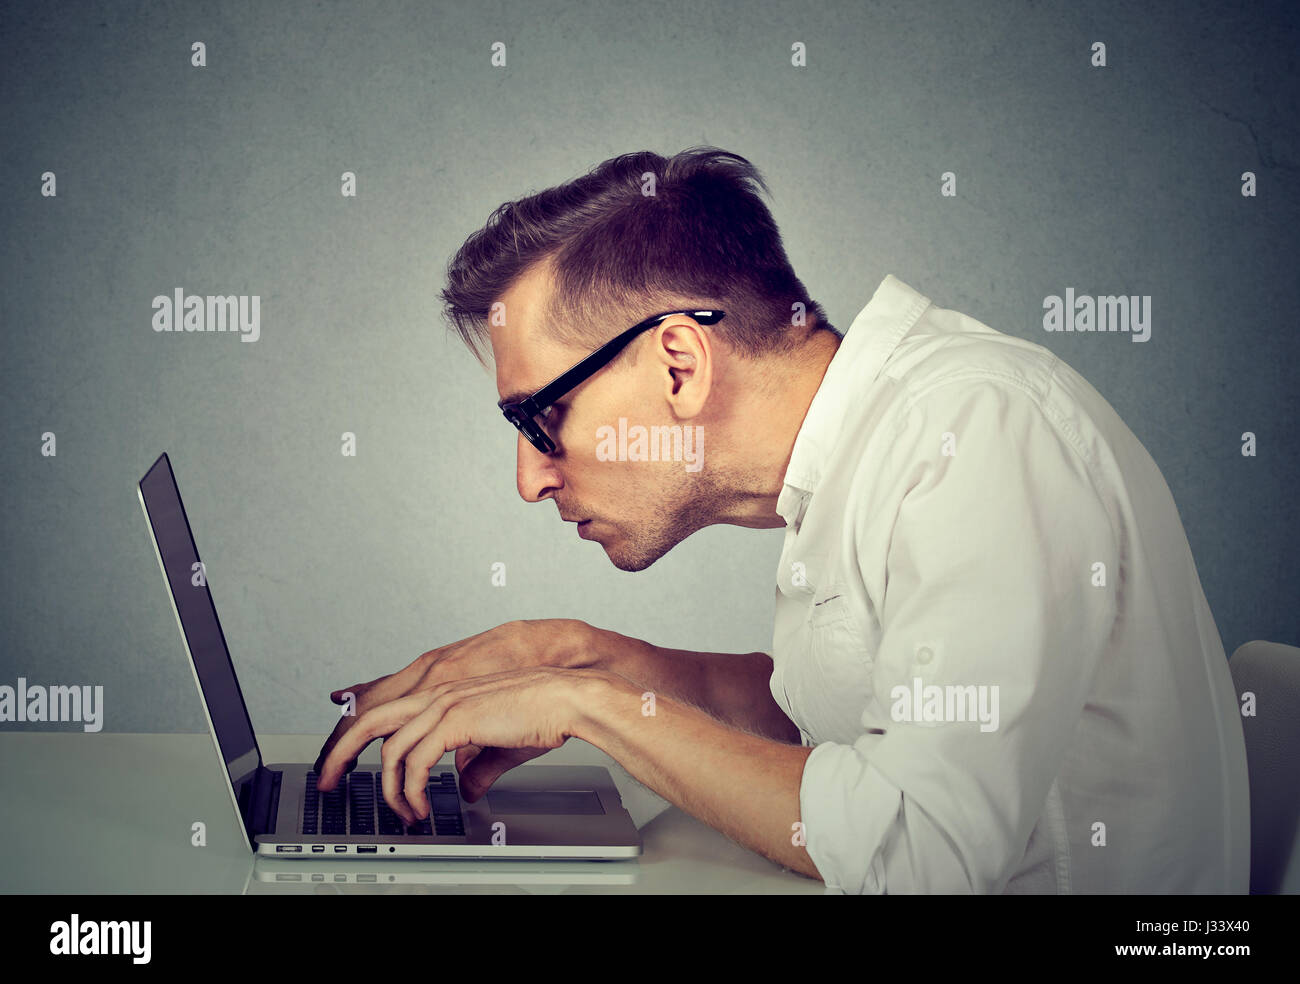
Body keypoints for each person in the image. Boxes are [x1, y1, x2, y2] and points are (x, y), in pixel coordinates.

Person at [314, 147, 1249, 893]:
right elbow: (849, 726)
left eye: (539, 418)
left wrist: (585, 707)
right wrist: (578, 655)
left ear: (679, 362)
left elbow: (916, 853)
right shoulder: (865, 450)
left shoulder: (975, 434)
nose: (528, 479)